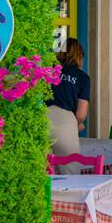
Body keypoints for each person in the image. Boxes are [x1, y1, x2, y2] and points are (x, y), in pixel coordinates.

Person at [46, 39, 91, 170]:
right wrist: (78, 123)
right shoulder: (82, 77)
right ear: (79, 56)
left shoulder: (48, 71)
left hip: (42, 117)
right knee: (70, 169)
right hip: (64, 119)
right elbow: (81, 114)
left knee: (42, 171)